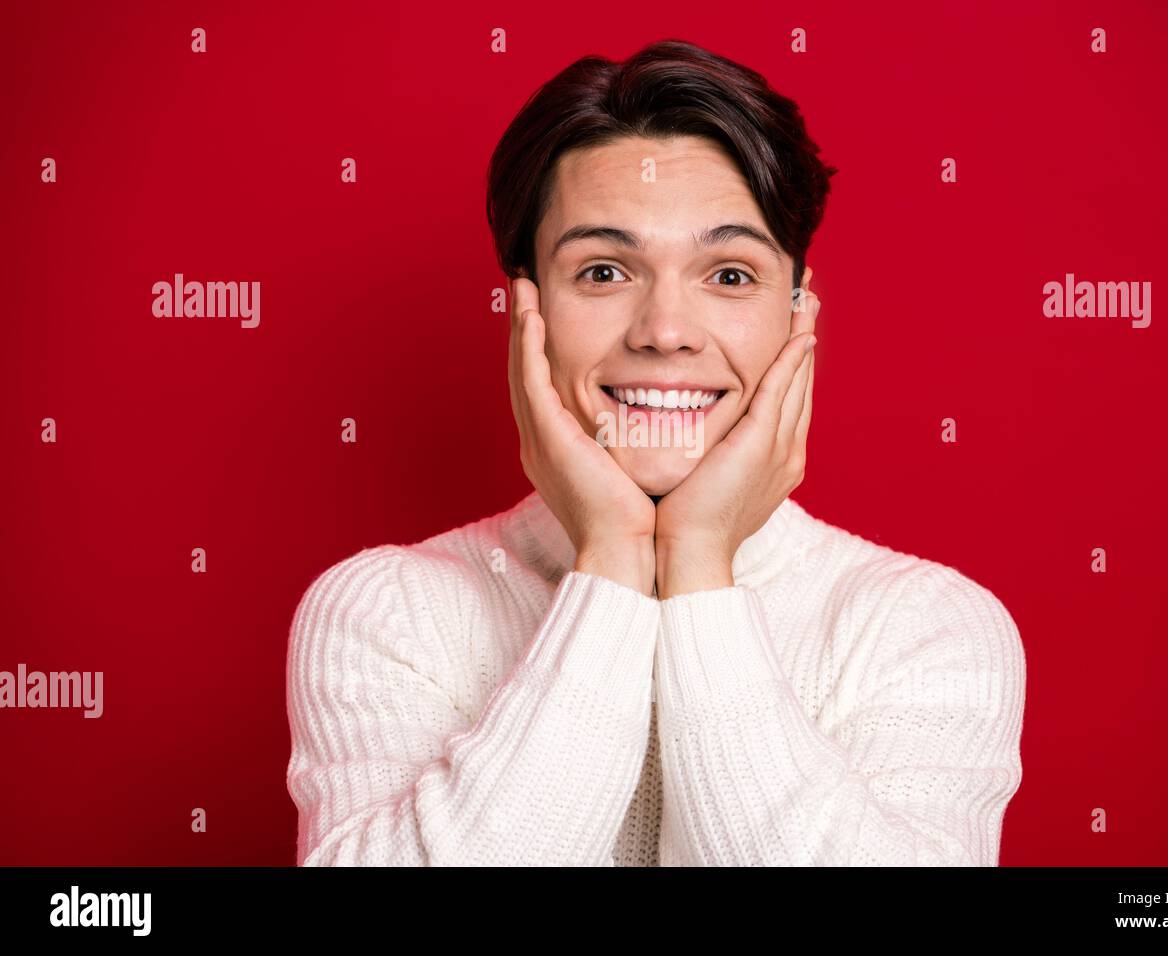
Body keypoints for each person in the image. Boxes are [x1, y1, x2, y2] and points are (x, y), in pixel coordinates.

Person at [284, 38, 1026, 867]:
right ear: (525, 311)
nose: (665, 333)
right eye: (603, 271)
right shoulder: (386, 613)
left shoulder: (924, 627)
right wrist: (613, 562)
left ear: (798, 311)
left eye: (730, 276)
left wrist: (699, 565)